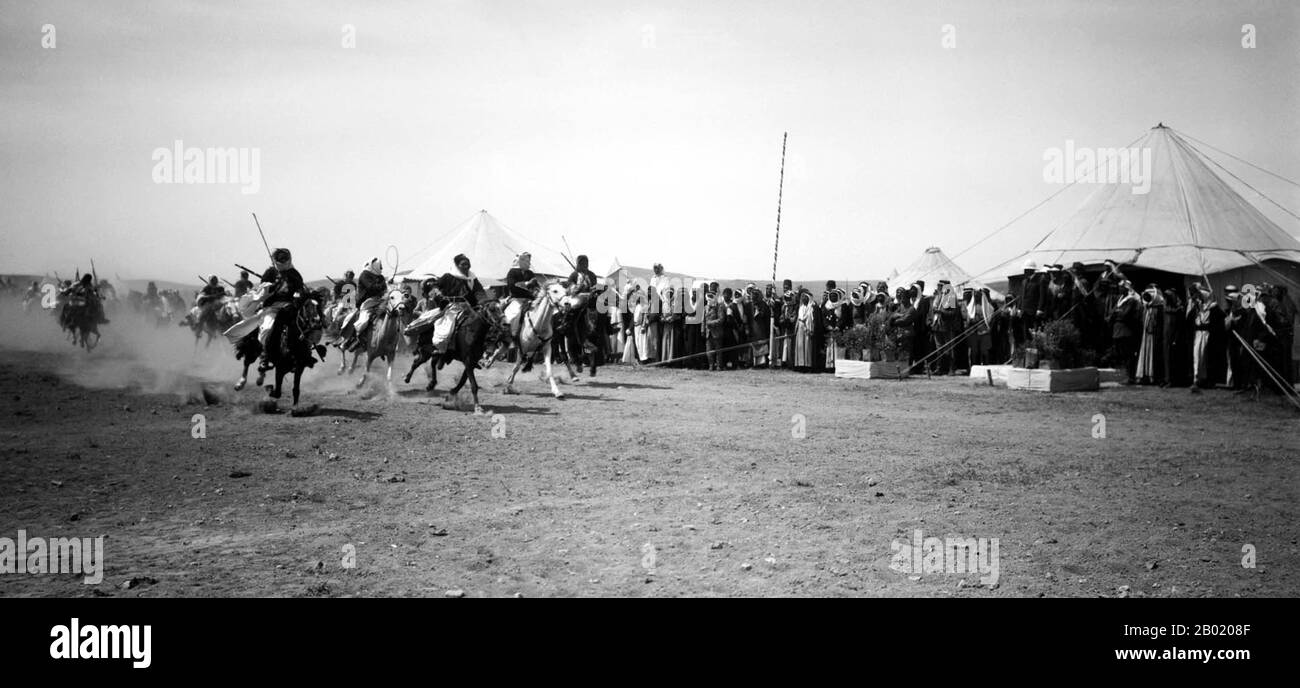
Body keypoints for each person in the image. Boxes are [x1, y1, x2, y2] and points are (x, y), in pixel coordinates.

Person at [428, 254, 488, 357]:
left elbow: (479, 291)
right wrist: (437, 292)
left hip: (470, 308)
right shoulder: (448, 276)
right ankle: (442, 349)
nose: (466, 266)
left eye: (468, 264)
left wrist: (484, 301)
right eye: (463, 264)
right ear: (457, 265)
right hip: (452, 308)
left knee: (485, 325)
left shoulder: (472, 278)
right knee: (447, 330)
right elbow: (435, 286)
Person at [255, 248, 304, 367]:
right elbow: (262, 289)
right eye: (280, 259)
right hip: (272, 307)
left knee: (303, 329)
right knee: (266, 329)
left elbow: (299, 288)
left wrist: (298, 295)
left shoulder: (294, 273)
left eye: (284, 258)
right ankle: (265, 354)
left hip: (290, 307)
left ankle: (302, 354)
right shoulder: (270, 273)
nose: (283, 261)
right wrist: (270, 287)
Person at [503, 252, 538, 351]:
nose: (528, 263)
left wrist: (537, 291)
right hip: (517, 299)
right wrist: (527, 284)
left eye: (529, 261)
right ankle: (512, 336)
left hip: (530, 299)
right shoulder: (512, 272)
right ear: (520, 261)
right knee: (515, 314)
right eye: (526, 261)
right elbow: (512, 286)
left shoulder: (530, 273)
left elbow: (536, 286)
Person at [1109, 281, 1141, 384]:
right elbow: (1112, 313)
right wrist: (1117, 312)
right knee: (1121, 354)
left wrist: (1117, 312)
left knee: (1128, 354)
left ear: (1126, 289)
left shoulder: (1130, 300)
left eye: (1121, 287)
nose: (1119, 289)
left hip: (1126, 330)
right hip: (1118, 329)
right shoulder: (1120, 299)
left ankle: (1131, 376)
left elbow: (1125, 314)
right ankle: (1126, 375)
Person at [1135, 285, 1165, 385]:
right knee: (1144, 354)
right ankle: (1142, 375)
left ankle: (1152, 375)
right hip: (1145, 335)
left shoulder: (1158, 309)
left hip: (1153, 335)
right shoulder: (1145, 308)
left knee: (1153, 354)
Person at [967, 287, 995, 366]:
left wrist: (990, 327)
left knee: (984, 351)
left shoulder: (988, 306)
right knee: (974, 351)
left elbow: (991, 318)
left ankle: (986, 367)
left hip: (984, 332)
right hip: (974, 332)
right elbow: (968, 318)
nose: (977, 297)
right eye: (975, 296)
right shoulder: (971, 306)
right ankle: (974, 367)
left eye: (978, 296)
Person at [704, 286, 726, 371]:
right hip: (708, 333)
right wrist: (703, 330)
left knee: (718, 351)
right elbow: (703, 320)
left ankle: (719, 366)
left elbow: (721, 319)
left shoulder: (719, 306)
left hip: (717, 332)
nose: (709, 298)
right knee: (709, 351)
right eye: (708, 296)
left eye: (711, 296)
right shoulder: (706, 307)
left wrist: (711, 323)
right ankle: (711, 365)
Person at [794, 289, 815, 372]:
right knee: (800, 346)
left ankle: (807, 365)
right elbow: (798, 319)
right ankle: (800, 365)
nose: (803, 299)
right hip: (800, 328)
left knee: (807, 346)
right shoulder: (801, 307)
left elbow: (812, 320)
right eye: (802, 297)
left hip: (807, 328)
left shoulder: (811, 308)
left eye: (805, 297)